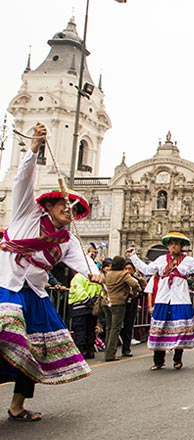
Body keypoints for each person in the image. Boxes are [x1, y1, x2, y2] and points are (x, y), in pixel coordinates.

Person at [0, 122, 102, 422]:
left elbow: (82, 262)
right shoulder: (25, 213)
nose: (68, 210)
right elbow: (23, 180)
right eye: (64, 204)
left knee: (35, 350)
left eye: (73, 208)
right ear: (52, 204)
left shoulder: (68, 240)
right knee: (7, 330)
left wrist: (93, 274)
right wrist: (34, 148)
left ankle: (17, 405)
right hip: (6, 285)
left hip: (36, 296)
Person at [127, 233, 194, 371]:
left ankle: (177, 359)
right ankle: (158, 360)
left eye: (176, 244)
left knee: (179, 330)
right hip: (163, 299)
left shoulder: (188, 261)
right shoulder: (161, 260)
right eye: (171, 244)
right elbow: (146, 270)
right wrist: (133, 257)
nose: (173, 246)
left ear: (181, 246)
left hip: (180, 300)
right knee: (160, 330)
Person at [120, 260, 147, 357]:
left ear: (133, 270)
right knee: (117, 327)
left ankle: (126, 348)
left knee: (128, 327)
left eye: (129, 269)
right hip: (120, 306)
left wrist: (137, 294)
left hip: (132, 306)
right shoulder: (120, 279)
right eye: (125, 269)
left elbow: (142, 294)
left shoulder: (136, 280)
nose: (127, 271)